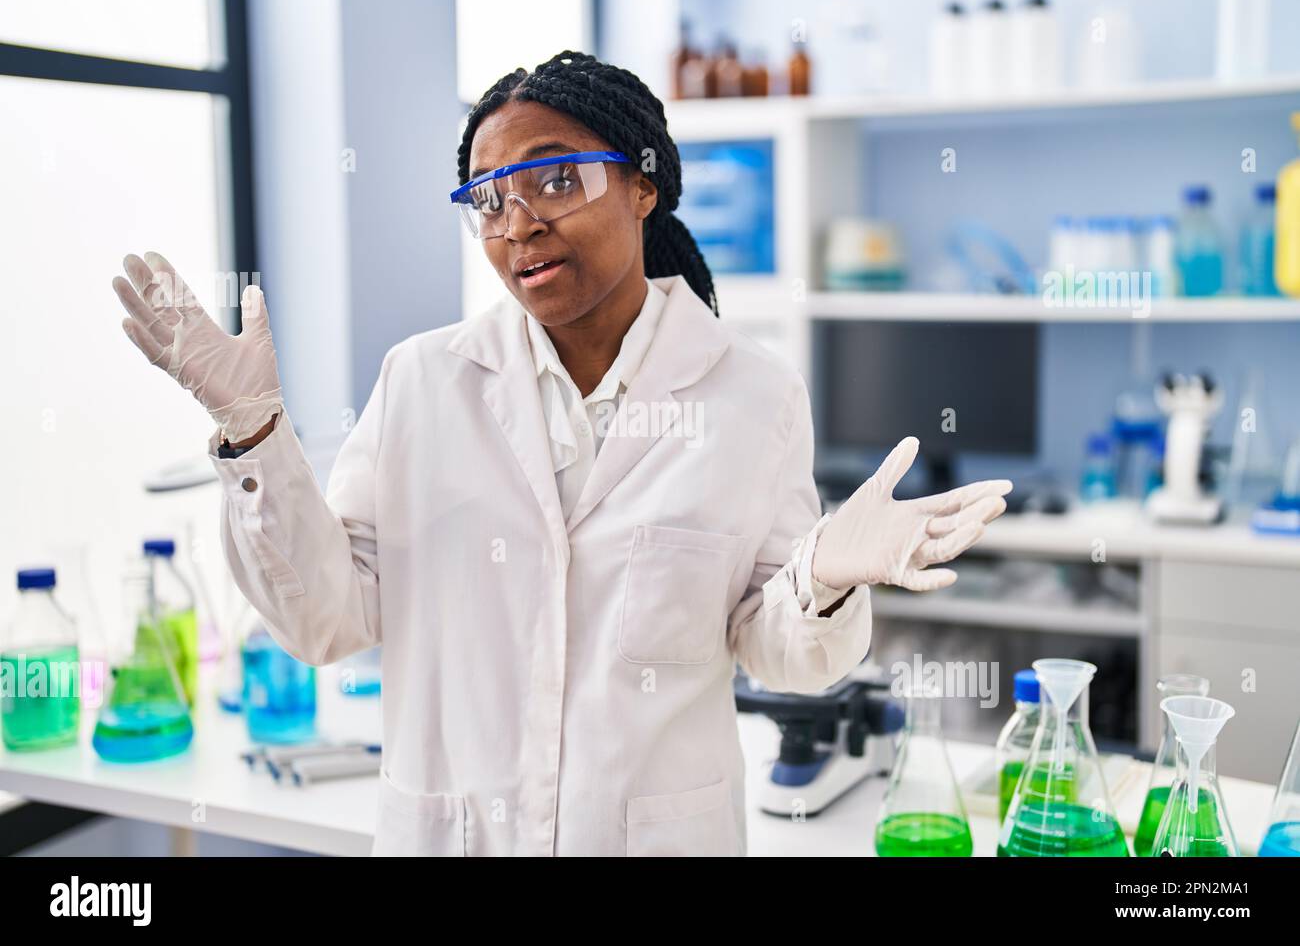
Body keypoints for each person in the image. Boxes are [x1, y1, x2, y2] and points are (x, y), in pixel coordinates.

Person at [112, 51, 1011, 856]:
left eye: (554, 181)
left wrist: (826, 578)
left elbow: (777, 650)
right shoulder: (423, 381)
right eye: (489, 200)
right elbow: (327, 622)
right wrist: (253, 431)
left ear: (643, 185)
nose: (518, 224)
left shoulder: (751, 395)